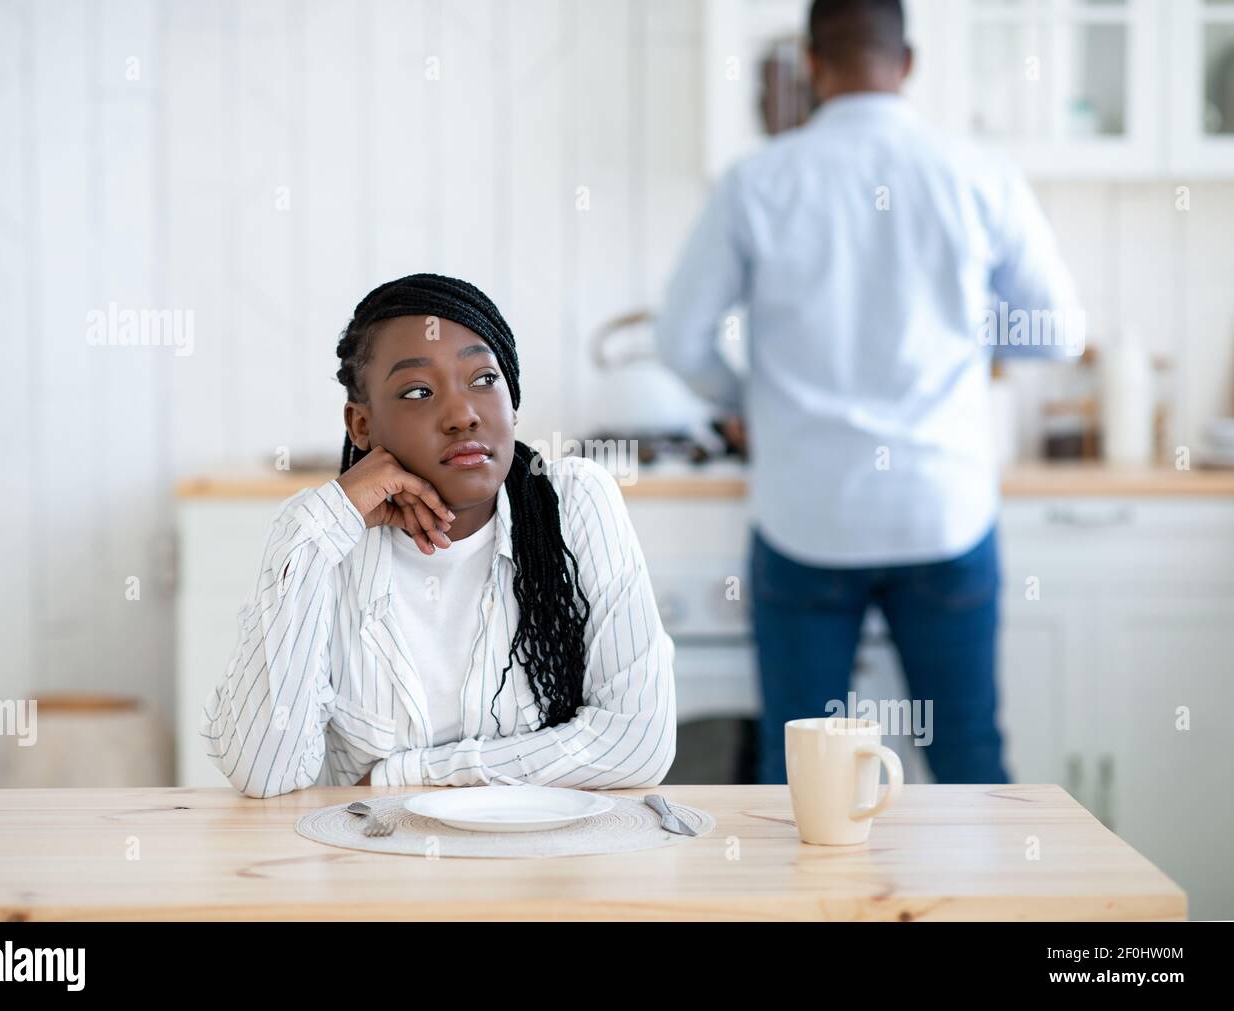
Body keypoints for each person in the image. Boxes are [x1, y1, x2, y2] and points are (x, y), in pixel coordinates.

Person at [654, 0, 1082, 785]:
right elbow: (1055, 331)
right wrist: (964, 339)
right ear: (908, 63)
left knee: (803, 774)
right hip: (941, 511)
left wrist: (748, 401)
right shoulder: (979, 173)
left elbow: (680, 341)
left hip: (807, 519)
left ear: (813, 65)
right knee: (966, 754)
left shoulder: (758, 181)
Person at [203, 273, 676, 797]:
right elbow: (263, 773)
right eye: (418, 391)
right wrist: (317, 525)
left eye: (483, 380)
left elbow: (639, 743)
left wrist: (408, 774)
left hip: (543, 871)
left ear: (512, 399)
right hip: (374, 867)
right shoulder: (323, 538)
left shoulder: (576, 501)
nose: (462, 415)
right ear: (361, 426)